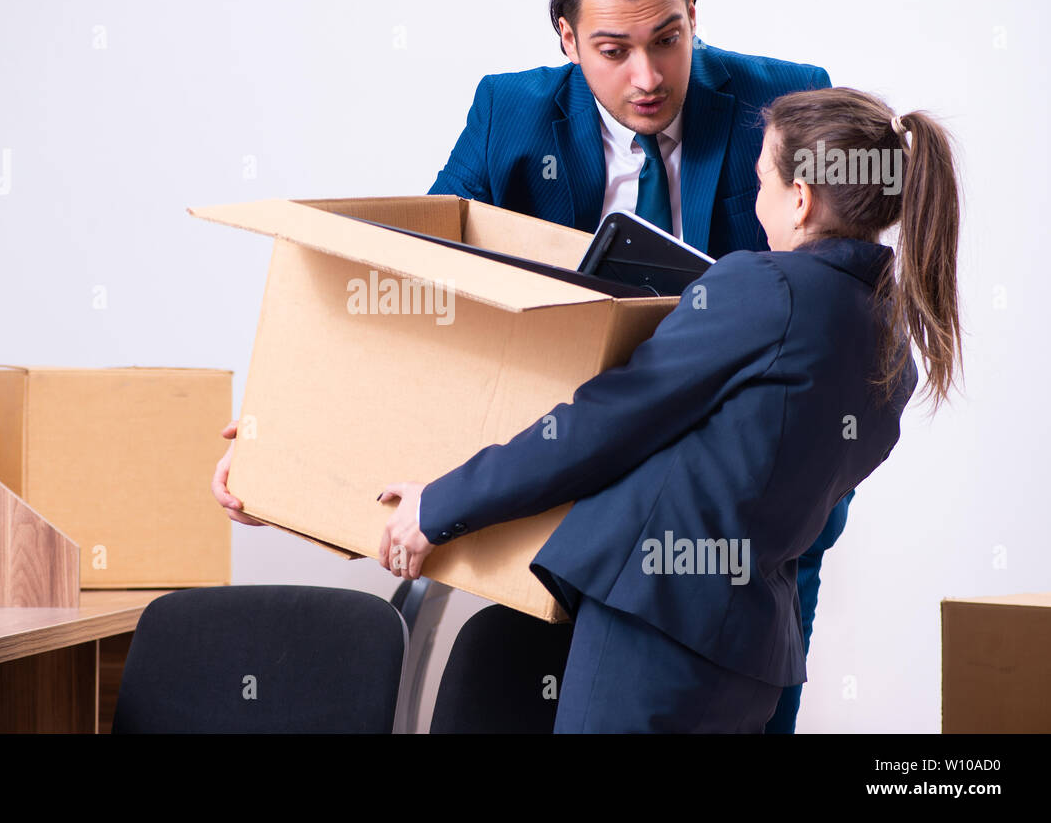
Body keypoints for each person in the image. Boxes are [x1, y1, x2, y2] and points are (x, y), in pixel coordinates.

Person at [376, 85, 962, 731]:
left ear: (802, 199)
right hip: (751, 660)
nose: (757, 202)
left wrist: (439, 506)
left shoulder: (765, 286)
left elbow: (601, 424)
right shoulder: (896, 350)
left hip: (655, 627)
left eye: (762, 181)